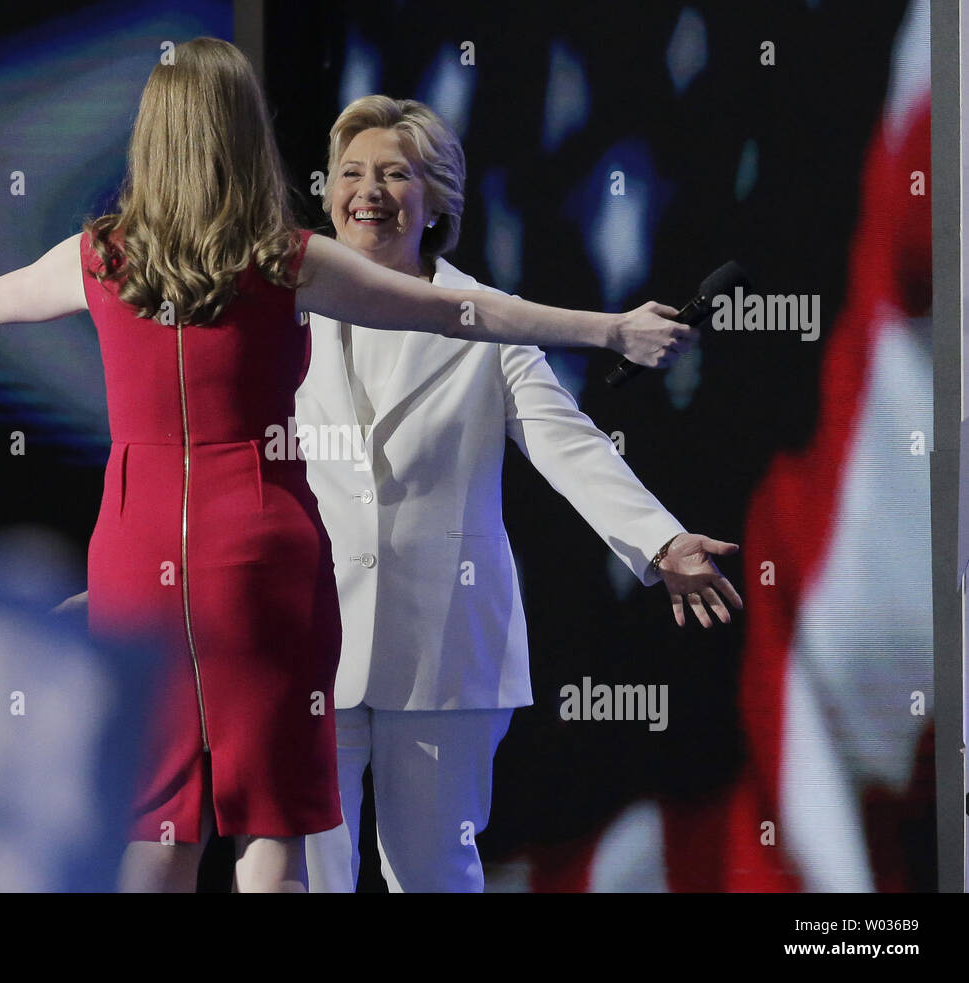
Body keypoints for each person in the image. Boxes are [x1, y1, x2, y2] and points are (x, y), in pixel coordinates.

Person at [0, 38, 695, 893]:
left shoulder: (99, 256)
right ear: (247, 137)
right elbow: (457, 313)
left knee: (156, 821)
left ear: (153, 138)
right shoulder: (286, 261)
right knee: (271, 822)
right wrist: (607, 327)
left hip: (137, 554)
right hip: (265, 556)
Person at [295, 96, 743, 893]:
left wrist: (661, 540)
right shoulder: (284, 308)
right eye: (352, 173)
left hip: (443, 648)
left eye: (395, 173)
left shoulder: (490, 322)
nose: (368, 190)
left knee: (434, 874)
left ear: (436, 200)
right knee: (303, 870)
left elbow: (568, 444)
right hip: (305, 637)